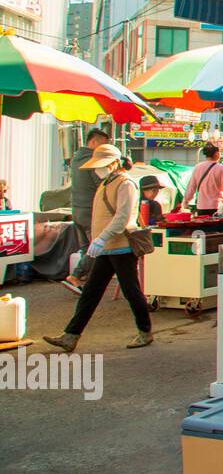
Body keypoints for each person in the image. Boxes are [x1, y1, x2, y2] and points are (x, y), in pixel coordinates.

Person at [43, 144, 153, 351]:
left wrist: (101, 238)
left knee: (131, 291)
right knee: (91, 292)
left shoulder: (125, 184)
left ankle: (145, 332)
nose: (97, 170)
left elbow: (122, 218)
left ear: (114, 163)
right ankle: (71, 335)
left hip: (121, 247)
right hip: (105, 247)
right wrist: (100, 241)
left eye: (101, 165)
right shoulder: (106, 183)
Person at [65, 126, 111, 292]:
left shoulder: (76, 157)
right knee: (97, 246)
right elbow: (103, 184)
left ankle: (85, 280)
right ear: (93, 142)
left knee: (87, 247)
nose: (103, 150)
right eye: (103, 146)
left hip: (76, 210)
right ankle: (76, 276)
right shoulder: (92, 160)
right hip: (90, 211)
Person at [182, 142, 223, 216]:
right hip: (217, 207)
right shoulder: (222, 168)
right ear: (217, 154)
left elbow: (191, 187)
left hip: (201, 206)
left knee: (203, 227)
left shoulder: (197, 167)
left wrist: (185, 201)